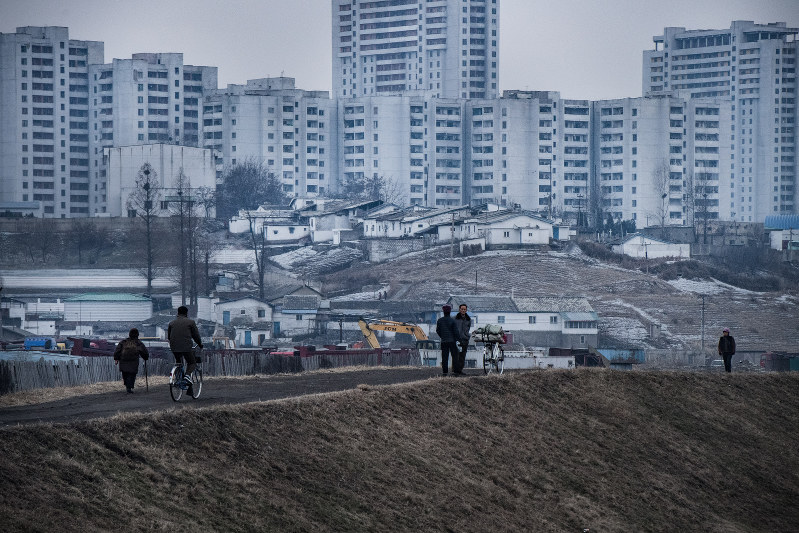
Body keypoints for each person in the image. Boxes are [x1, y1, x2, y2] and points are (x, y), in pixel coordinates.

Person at [168, 306, 203, 388]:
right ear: (186, 313)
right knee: (192, 363)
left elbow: (169, 337)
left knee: (178, 362)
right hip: (186, 347)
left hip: (174, 347)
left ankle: (178, 379)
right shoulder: (191, 322)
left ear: (178, 313)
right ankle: (187, 376)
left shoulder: (171, 323)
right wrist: (200, 344)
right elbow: (196, 336)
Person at [113, 328, 149, 393]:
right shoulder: (138, 343)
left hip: (123, 361)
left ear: (129, 334)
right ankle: (129, 388)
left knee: (125, 374)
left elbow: (117, 351)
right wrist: (145, 357)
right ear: (137, 334)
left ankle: (127, 386)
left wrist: (116, 358)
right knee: (132, 375)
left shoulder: (123, 342)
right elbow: (144, 352)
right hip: (133, 362)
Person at [436, 304, 459, 376]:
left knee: (445, 357)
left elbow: (437, 330)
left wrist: (442, 336)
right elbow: (456, 332)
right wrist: (458, 339)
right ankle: (455, 371)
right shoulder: (452, 320)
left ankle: (445, 372)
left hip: (444, 341)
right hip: (452, 341)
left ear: (443, 311)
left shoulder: (440, 320)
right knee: (454, 356)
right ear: (450, 311)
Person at [453, 303, 471, 375]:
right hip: (456, 339)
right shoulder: (454, 318)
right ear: (459, 309)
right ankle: (455, 370)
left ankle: (460, 370)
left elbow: (468, 328)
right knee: (455, 355)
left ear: (466, 310)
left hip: (465, 339)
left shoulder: (468, 319)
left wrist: (467, 335)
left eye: (464, 309)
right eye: (462, 309)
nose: (463, 310)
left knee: (462, 356)